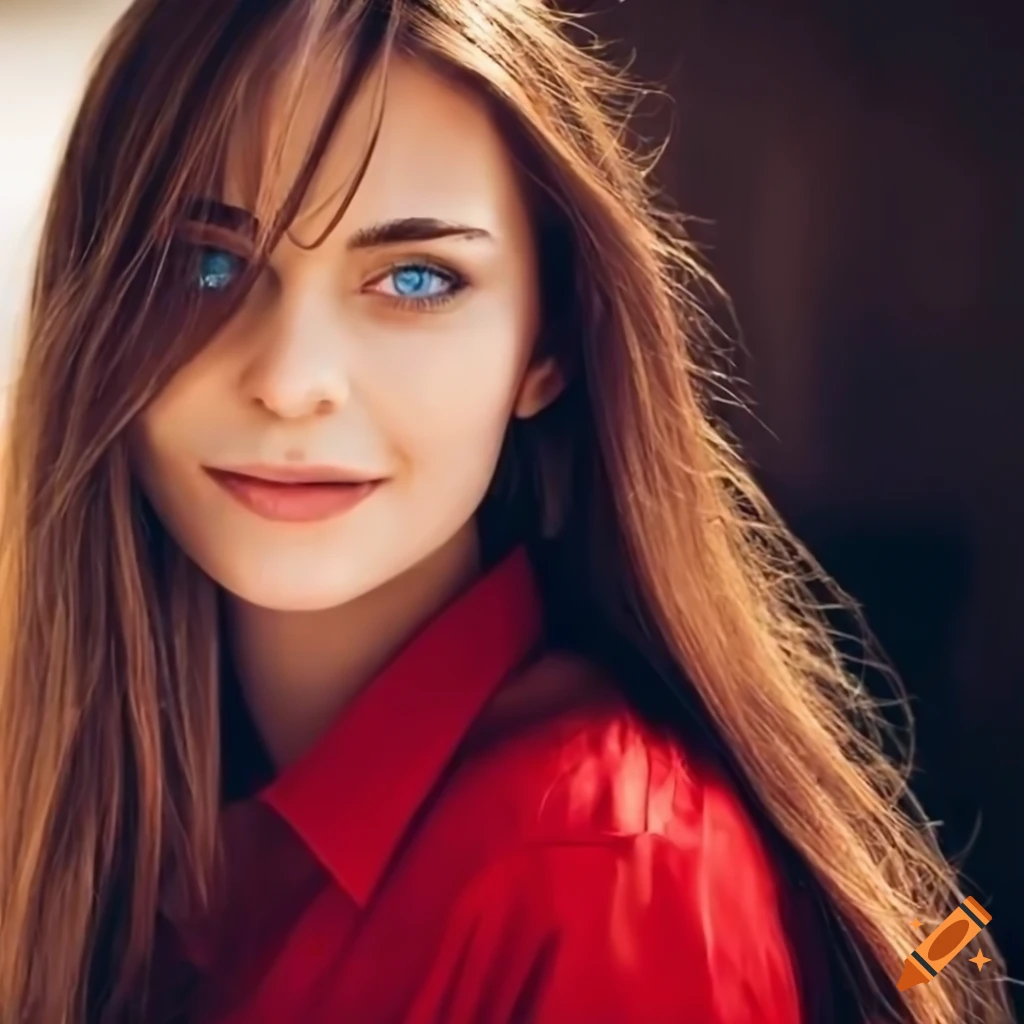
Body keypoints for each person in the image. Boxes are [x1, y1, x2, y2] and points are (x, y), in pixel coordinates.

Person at [0, 1, 1012, 1022]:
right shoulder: (98, 818)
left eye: (415, 276)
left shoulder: (613, 871)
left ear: (547, 346)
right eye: (204, 263)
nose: (291, 379)